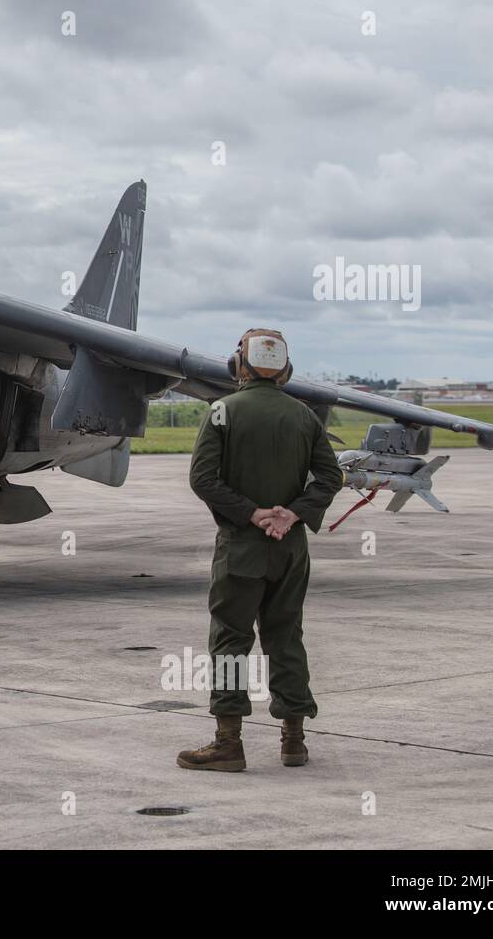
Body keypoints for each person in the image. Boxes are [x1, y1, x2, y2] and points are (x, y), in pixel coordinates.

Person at [179, 328, 343, 772]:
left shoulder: (221, 412)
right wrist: (291, 514)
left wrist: (251, 514)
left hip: (241, 549)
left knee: (231, 639)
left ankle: (228, 742)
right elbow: (331, 478)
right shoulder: (305, 416)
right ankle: (294, 740)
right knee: (286, 636)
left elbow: (203, 480)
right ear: (285, 371)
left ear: (239, 367)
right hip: (290, 550)